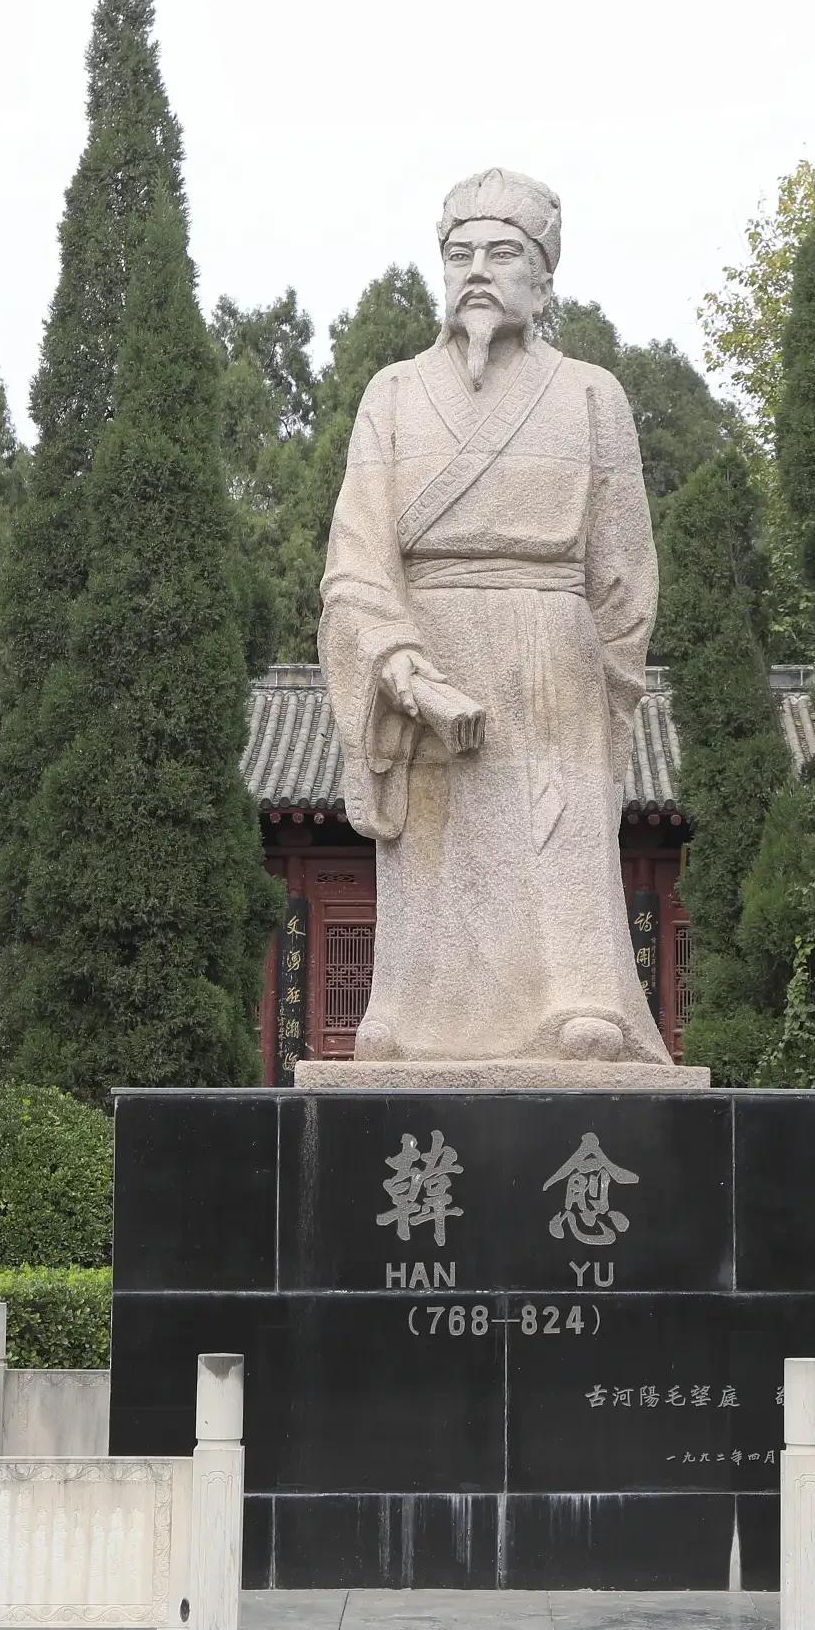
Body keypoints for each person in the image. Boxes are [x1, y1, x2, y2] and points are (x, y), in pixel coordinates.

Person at [317, 168, 670, 1065]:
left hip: (554, 655)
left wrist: (604, 687)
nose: (478, 270)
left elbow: (624, 572)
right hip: (426, 653)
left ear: (543, 278)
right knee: (435, 851)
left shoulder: (594, 396)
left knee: (558, 843)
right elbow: (356, 560)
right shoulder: (391, 395)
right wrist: (397, 665)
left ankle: (582, 999)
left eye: (502, 252)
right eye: (459, 253)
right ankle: (412, 1015)